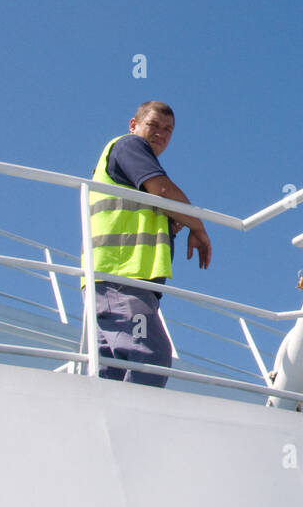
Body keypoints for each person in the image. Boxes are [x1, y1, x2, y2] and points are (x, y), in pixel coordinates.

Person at [86, 101, 212, 386]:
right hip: (121, 277)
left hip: (120, 280)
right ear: (134, 125)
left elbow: (154, 205)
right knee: (152, 356)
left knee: (110, 374)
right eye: (153, 125)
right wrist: (198, 225)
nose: (161, 134)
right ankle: (134, 428)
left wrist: (175, 222)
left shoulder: (133, 174)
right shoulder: (129, 147)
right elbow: (163, 189)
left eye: (168, 130)